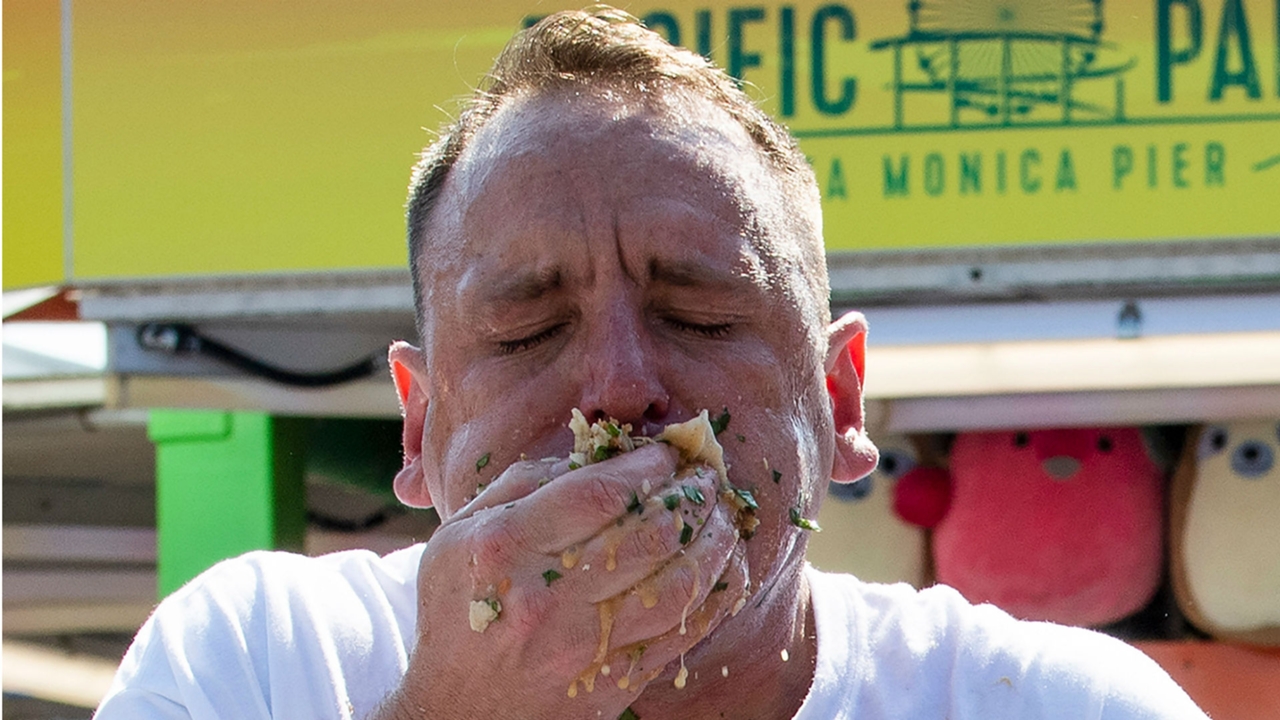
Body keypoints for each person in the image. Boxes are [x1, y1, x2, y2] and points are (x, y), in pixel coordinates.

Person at [96, 8, 1207, 719]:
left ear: (836, 398)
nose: (619, 388)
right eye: (527, 332)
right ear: (418, 429)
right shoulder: (258, 661)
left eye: (702, 313)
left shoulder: (1063, 705)